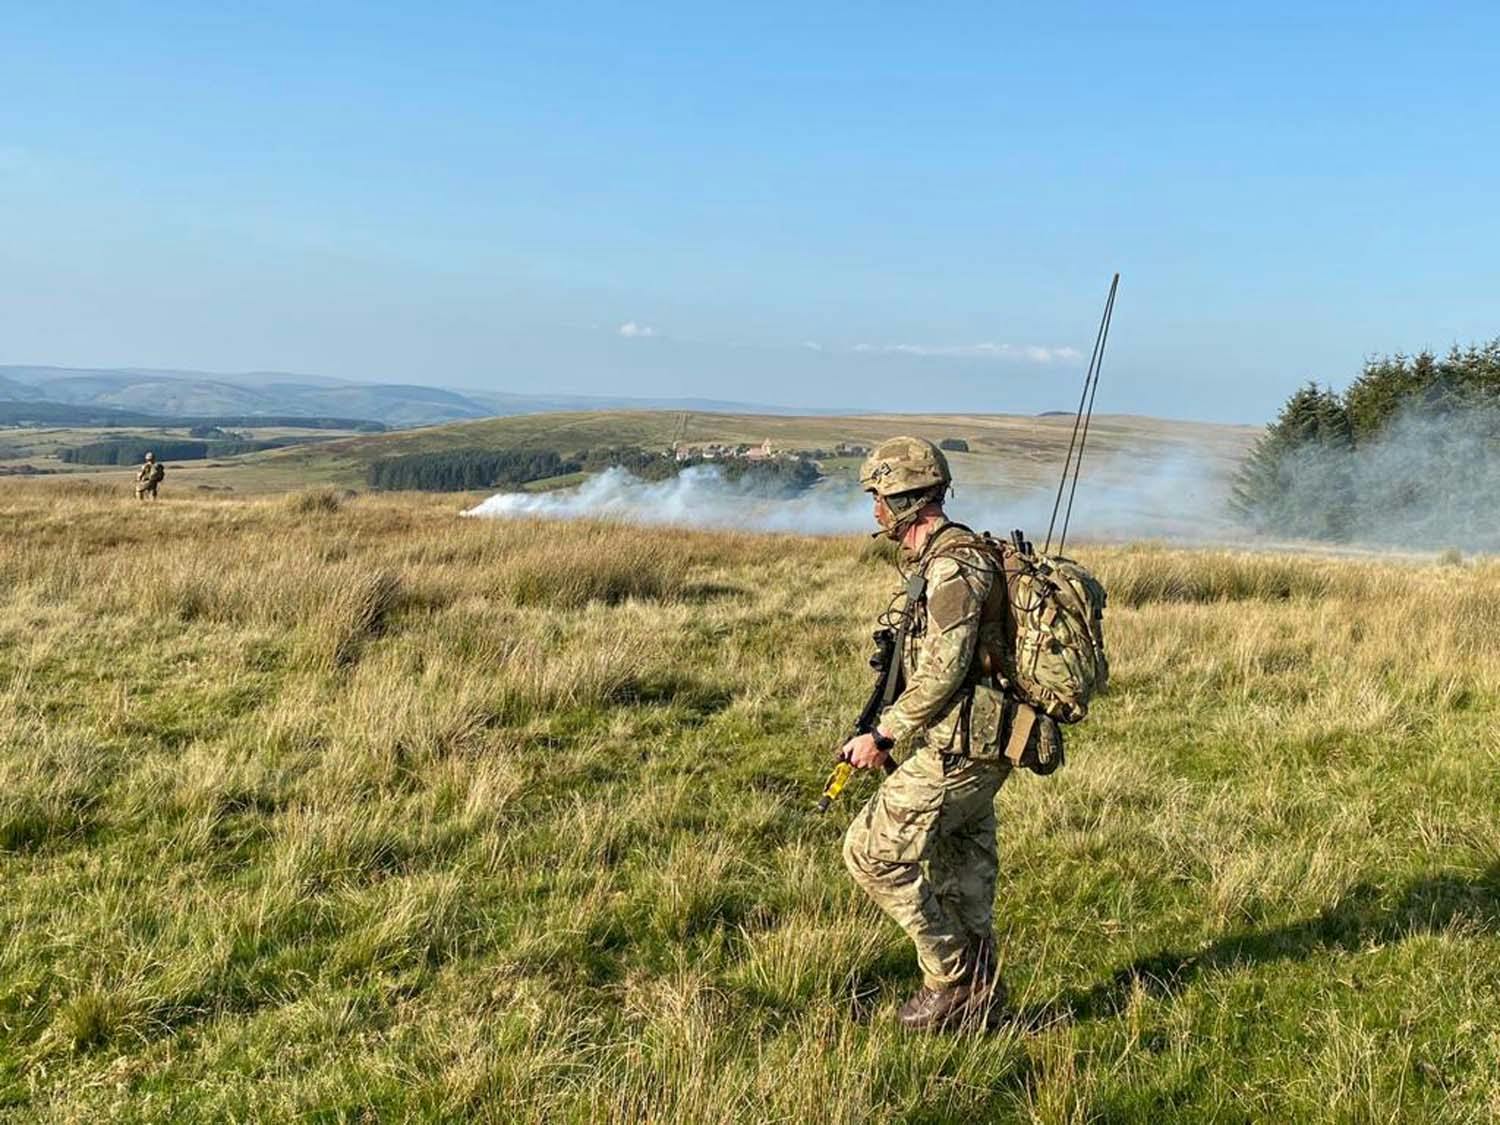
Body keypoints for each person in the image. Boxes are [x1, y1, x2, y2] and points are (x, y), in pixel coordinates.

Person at [841, 436, 1013, 1032]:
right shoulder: (939, 558)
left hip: (962, 747)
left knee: (871, 854)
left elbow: (944, 670)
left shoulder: (953, 566)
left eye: (880, 498)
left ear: (907, 499)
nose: (875, 512)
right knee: (962, 874)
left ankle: (954, 977)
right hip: (979, 743)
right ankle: (980, 1003)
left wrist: (883, 736)